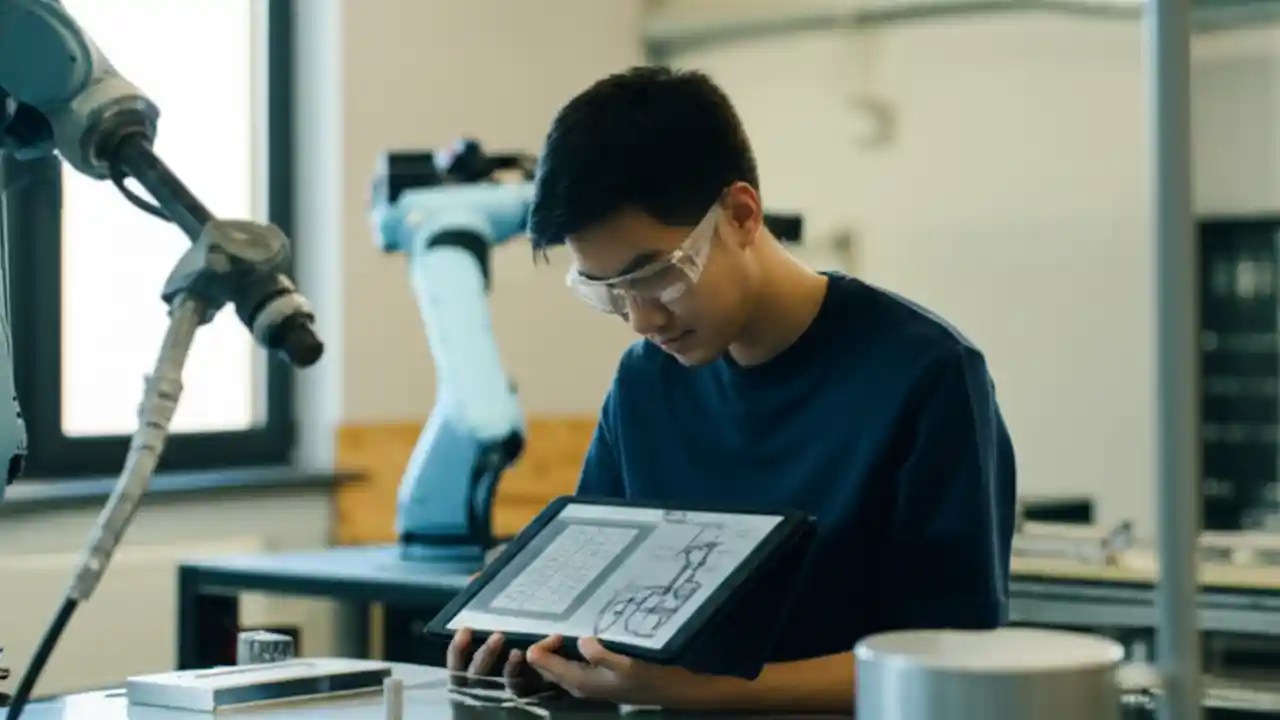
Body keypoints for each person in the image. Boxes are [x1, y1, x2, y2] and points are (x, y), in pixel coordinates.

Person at [447, 65, 1017, 714]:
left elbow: (952, 663)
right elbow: (596, 618)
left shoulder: (925, 376)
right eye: (608, 292)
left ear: (741, 215)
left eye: (655, 275)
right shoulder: (643, 385)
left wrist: (697, 693)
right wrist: (544, 660)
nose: (642, 320)